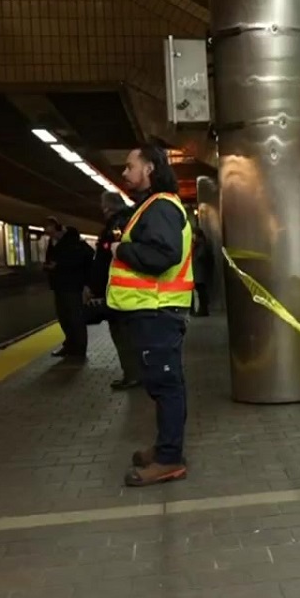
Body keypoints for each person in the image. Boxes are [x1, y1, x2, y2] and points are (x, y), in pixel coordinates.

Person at [108, 144, 195, 487]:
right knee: (161, 384)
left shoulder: (160, 207)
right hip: (153, 310)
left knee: (166, 385)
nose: (126, 173)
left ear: (149, 168)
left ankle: (169, 459)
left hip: (158, 310)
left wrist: (121, 249)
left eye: (130, 166)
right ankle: (164, 448)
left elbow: (163, 256)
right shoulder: (153, 206)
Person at [86, 191, 142, 390]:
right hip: (126, 288)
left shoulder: (116, 225)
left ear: (108, 206)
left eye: (103, 204)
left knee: (121, 333)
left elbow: (106, 260)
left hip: (118, 289)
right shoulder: (129, 220)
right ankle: (136, 373)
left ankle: (133, 375)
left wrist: (96, 288)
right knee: (131, 332)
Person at [43, 216, 93, 361]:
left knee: (75, 318)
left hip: (72, 286)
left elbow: (86, 258)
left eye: (49, 228)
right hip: (59, 285)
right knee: (64, 317)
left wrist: (59, 266)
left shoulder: (74, 242)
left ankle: (79, 350)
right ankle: (70, 345)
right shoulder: (53, 242)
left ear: (58, 228)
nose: (47, 232)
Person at [190, 210, 214, 317]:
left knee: (201, 292)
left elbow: (200, 256)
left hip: (200, 272)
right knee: (201, 292)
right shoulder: (201, 244)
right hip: (200, 272)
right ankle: (202, 309)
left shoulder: (200, 245)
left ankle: (203, 310)